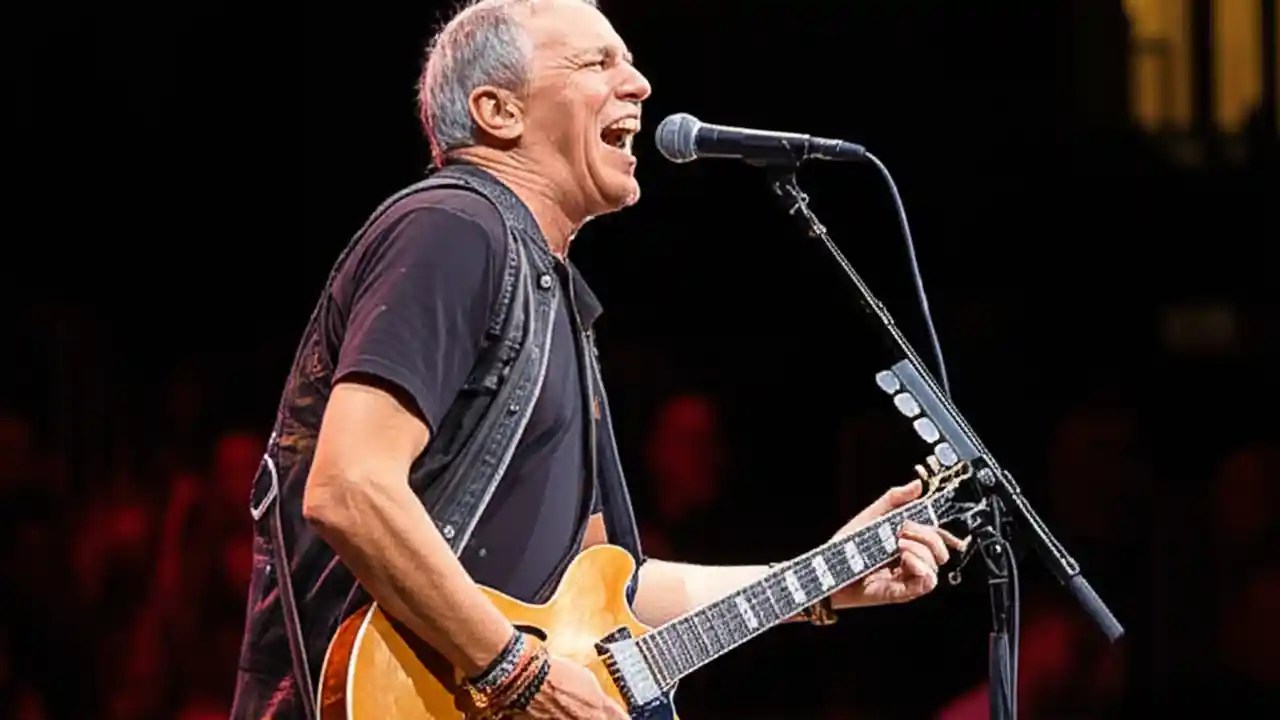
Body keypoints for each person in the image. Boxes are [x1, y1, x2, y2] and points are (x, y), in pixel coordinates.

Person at [230, 1, 966, 718]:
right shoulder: (453, 227)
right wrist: (515, 671)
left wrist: (816, 582)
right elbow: (350, 486)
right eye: (597, 63)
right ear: (498, 111)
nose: (639, 84)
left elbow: (615, 596)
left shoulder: (551, 298)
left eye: (630, 61)